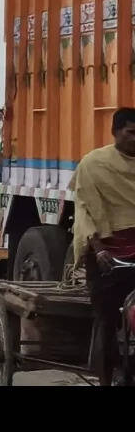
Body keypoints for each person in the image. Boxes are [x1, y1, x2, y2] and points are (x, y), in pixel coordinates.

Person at [71, 107, 135, 386]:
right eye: (131, 132)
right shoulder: (94, 163)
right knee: (107, 321)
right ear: (115, 132)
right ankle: (106, 378)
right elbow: (86, 210)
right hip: (108, 254)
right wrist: (99, 250)